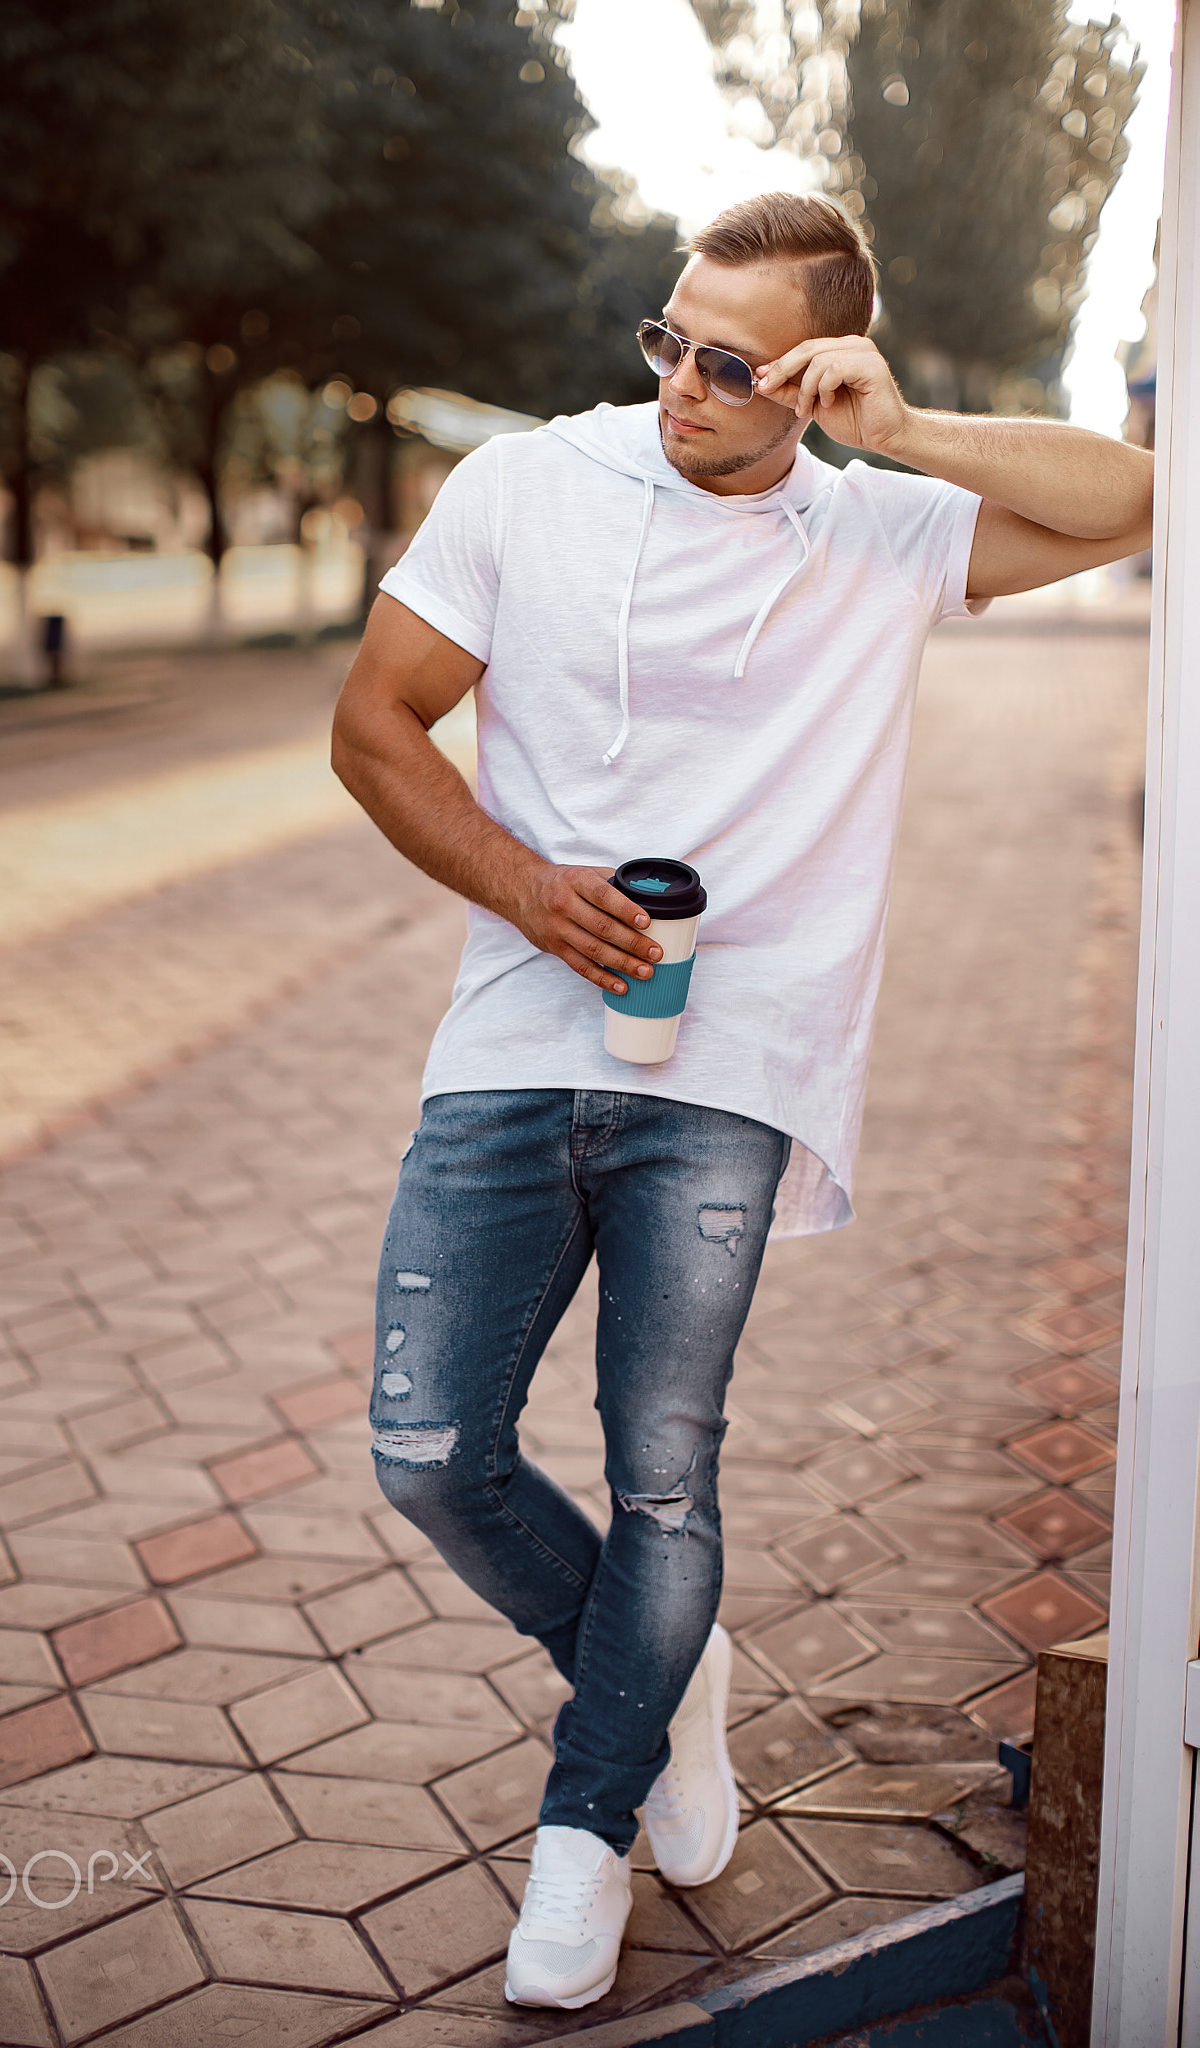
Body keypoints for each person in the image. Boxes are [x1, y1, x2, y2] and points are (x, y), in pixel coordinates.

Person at [330, 192, 1153, 2011]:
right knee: (425, 1449)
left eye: (732, 360)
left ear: (811, 374)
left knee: (663, 1473)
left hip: (740, 1060)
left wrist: (909, 427)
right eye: (667, 340)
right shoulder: (530, 489)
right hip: (517, 1029)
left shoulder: (883, 528)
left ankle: (584, 1828)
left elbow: (1138, 498)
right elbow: (375, 725)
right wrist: (524, 886)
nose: (684, 382)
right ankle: (661, 1665)